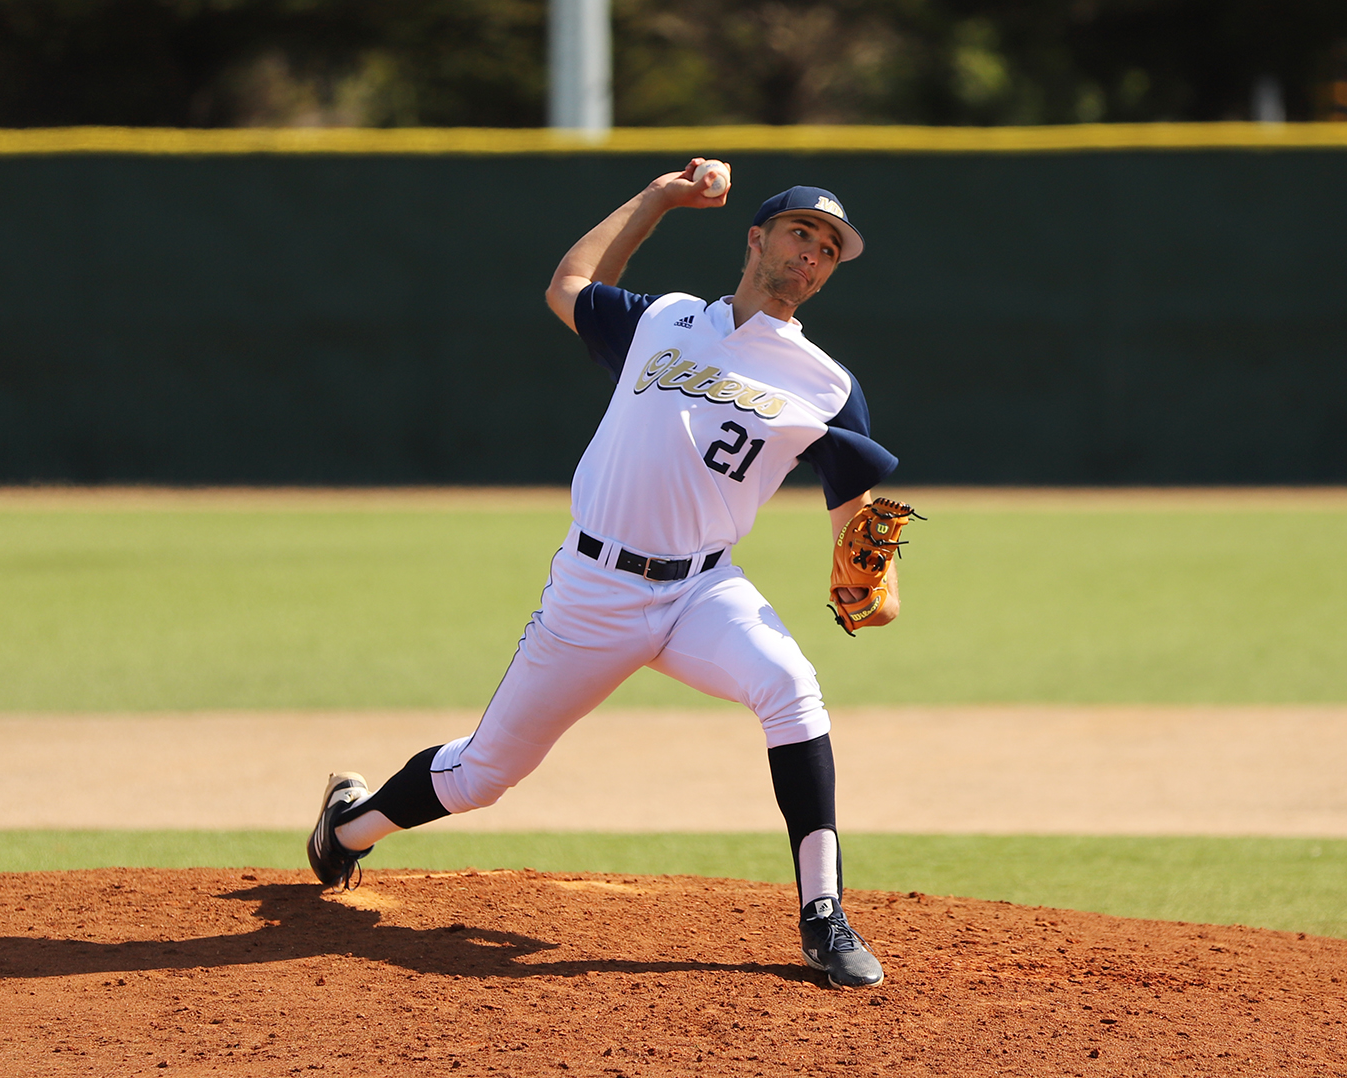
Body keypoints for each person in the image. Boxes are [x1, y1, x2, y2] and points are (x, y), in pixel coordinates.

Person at [306, 160, 905, 990]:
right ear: (757, 238)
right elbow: (571, 283)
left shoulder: (828, 386)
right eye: (802, 233)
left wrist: (872, 586)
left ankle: (823, 915)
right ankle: (347, 830)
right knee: (484, 776)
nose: (813, 254)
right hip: (595, 591)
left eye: (830, 250)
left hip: (703, 590)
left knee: (791, 686)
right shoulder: (662, 321)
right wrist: (660, 198)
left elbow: (858, 517)